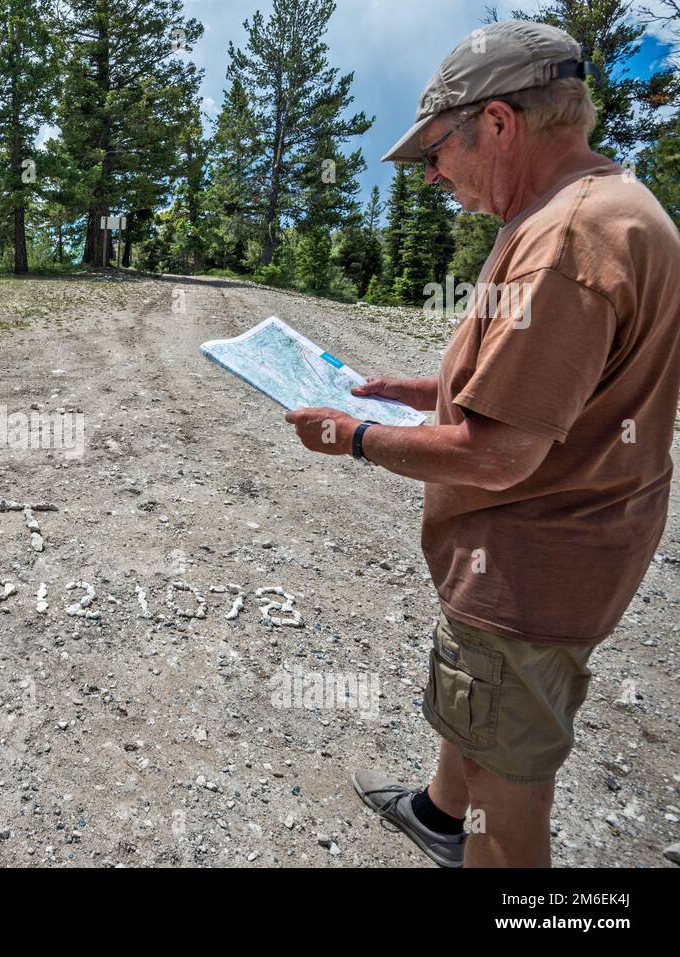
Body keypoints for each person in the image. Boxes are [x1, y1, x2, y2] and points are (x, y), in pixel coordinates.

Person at [284, 20, 680, 867]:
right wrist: (419, 388)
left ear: (498, 123)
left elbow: (501, 455)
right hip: (559, 549)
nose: (430, 175)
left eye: (435, 149)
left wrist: (355, 436)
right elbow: (554, 394)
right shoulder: (602, 208)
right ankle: (435, 814)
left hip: (533, 561)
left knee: (508, 785)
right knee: (477, 700)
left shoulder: (564, 240)